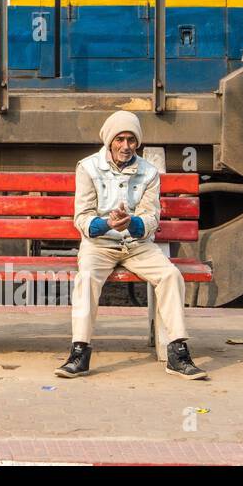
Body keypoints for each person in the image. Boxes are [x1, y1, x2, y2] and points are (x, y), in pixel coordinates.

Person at [55, 110, 208, 381]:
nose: (126, 146)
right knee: (86, 278)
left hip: (136, 244)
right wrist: (108, 225)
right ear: (109, 141)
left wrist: (131, 224)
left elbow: (152, 217)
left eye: (131, 140)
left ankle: (177, 352)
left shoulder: (149, 172)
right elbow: (82, 218)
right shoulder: (87, 167)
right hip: (99, 244)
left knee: (170, 275)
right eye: (120, 140)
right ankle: (79, 352)